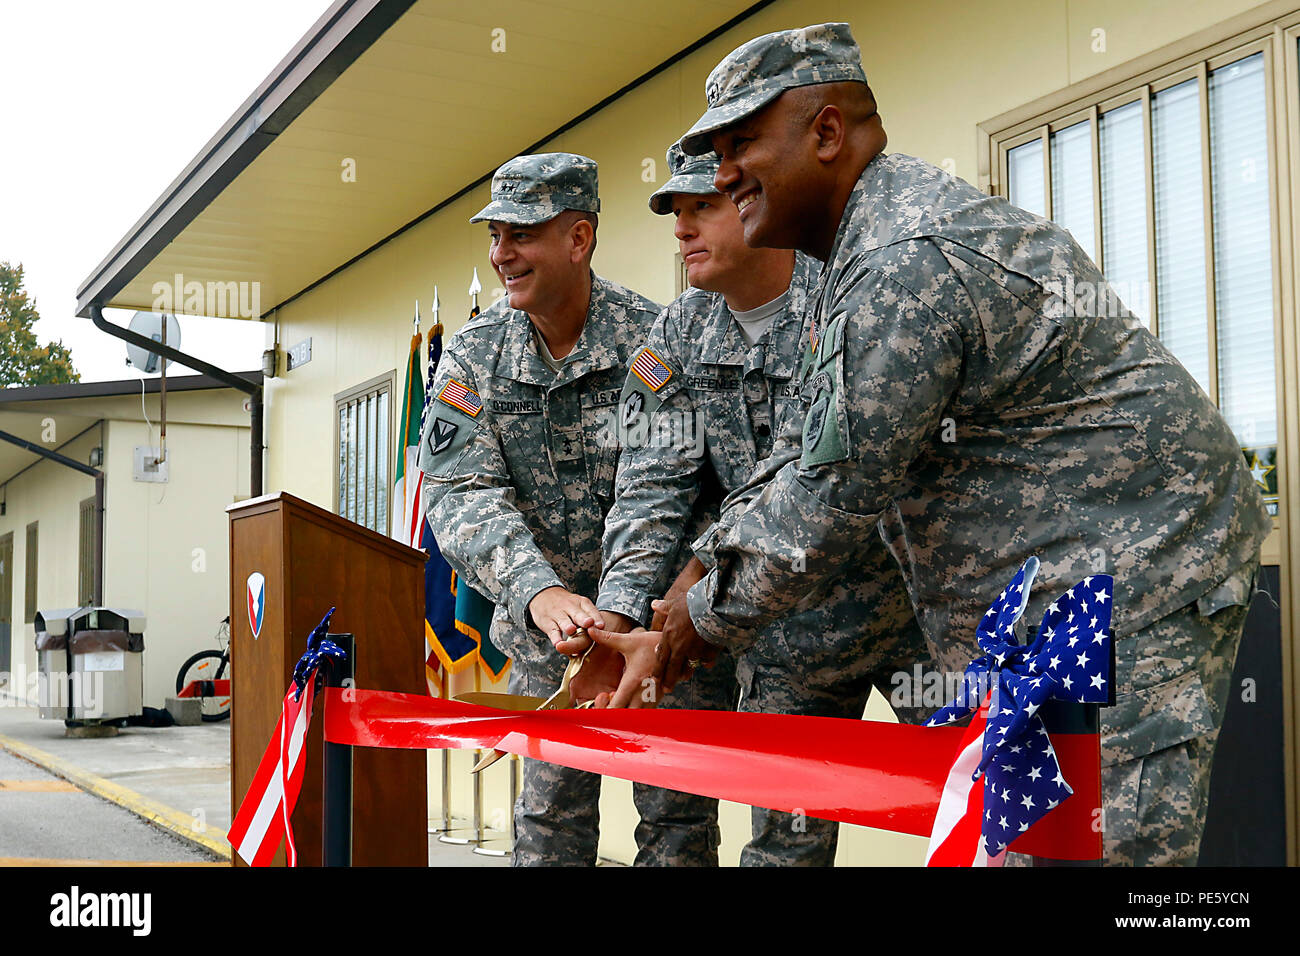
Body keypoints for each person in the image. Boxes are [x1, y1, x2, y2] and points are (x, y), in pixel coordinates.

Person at [598, 23, 1271, 866]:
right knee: (1025, 842)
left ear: (828, 133)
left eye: (742, 143)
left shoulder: (900, 262)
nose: (723, 172)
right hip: (1047, 598)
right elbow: (813, 441)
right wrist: (701, 565)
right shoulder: (856, 255)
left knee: (1102, 849)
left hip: (1138, 578)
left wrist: (687, 625)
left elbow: (829, 502)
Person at [586, 143, 931, 866]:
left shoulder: (842, 297)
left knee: (989, 807)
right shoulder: (677, 333)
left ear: (749, 203)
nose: (681, 230)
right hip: (783, 632)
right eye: (675, 213)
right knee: (784, 848)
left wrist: (700, 582)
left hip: (909, 615)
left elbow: (813, 466)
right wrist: (617, 614)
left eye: (701, 207)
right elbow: (651, 485)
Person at [418, 152, 732, 866]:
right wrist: (539, 591)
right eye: (494, 236)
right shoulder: (471, 355)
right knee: (550, 822)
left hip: (658, 637)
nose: (502, 255)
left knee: (677, 825)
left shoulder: (655, 341)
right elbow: (460, 492)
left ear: (579, 238)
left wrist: (617, 612)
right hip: (544, 642)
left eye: (520, 235)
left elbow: (666, 490)